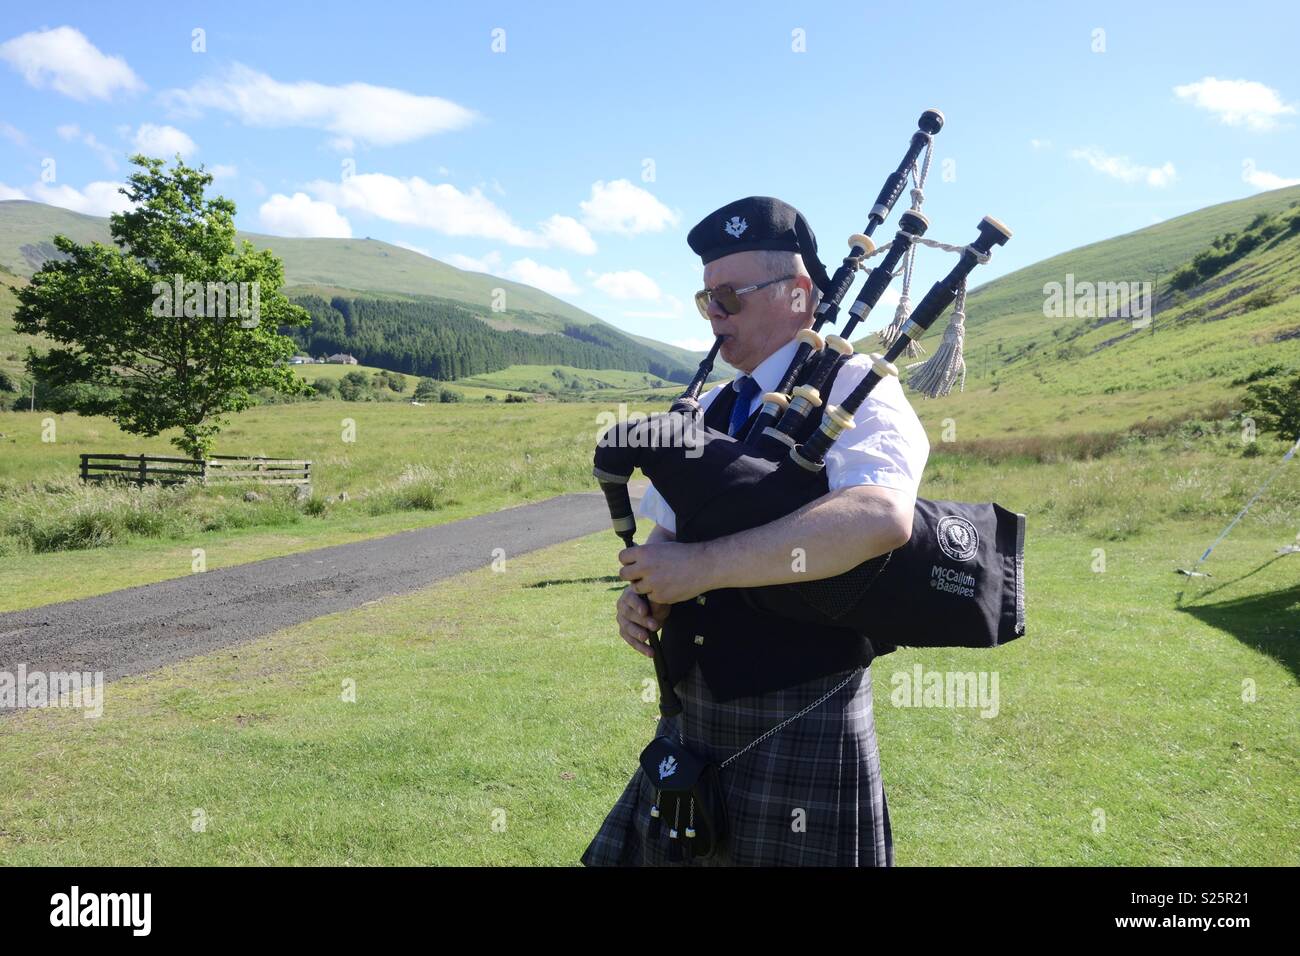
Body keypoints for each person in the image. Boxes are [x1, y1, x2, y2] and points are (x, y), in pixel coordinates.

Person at [581, 196, 930, 866]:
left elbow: (881, 517)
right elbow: (669, 538)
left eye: (731, 296)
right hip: (691, 713)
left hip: (801, 715)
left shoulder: (856, 384)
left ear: (799, 295)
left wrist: (705, 568)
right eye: (706, 297)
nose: (715, 314)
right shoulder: (710, 406)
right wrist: (648, 592)